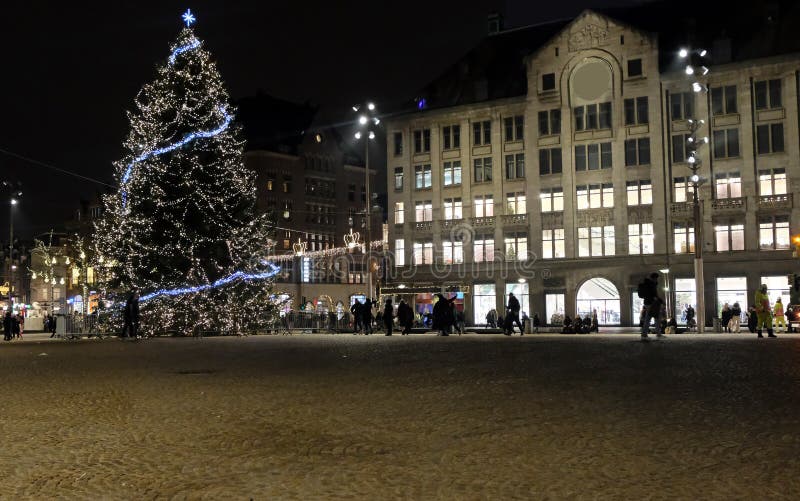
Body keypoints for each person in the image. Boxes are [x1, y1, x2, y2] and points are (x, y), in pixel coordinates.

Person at [638, 272, 665, 340]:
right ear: (654, 278)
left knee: (649, 319)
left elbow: (652, 295)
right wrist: (661, 301)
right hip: (652, 304)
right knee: (656, 318)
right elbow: (654, 295)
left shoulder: (648, 283)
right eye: (656, 278)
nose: (657, 280)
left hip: (648, 303)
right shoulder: (651, 284)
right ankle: (657, 333)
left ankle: (645, 333)